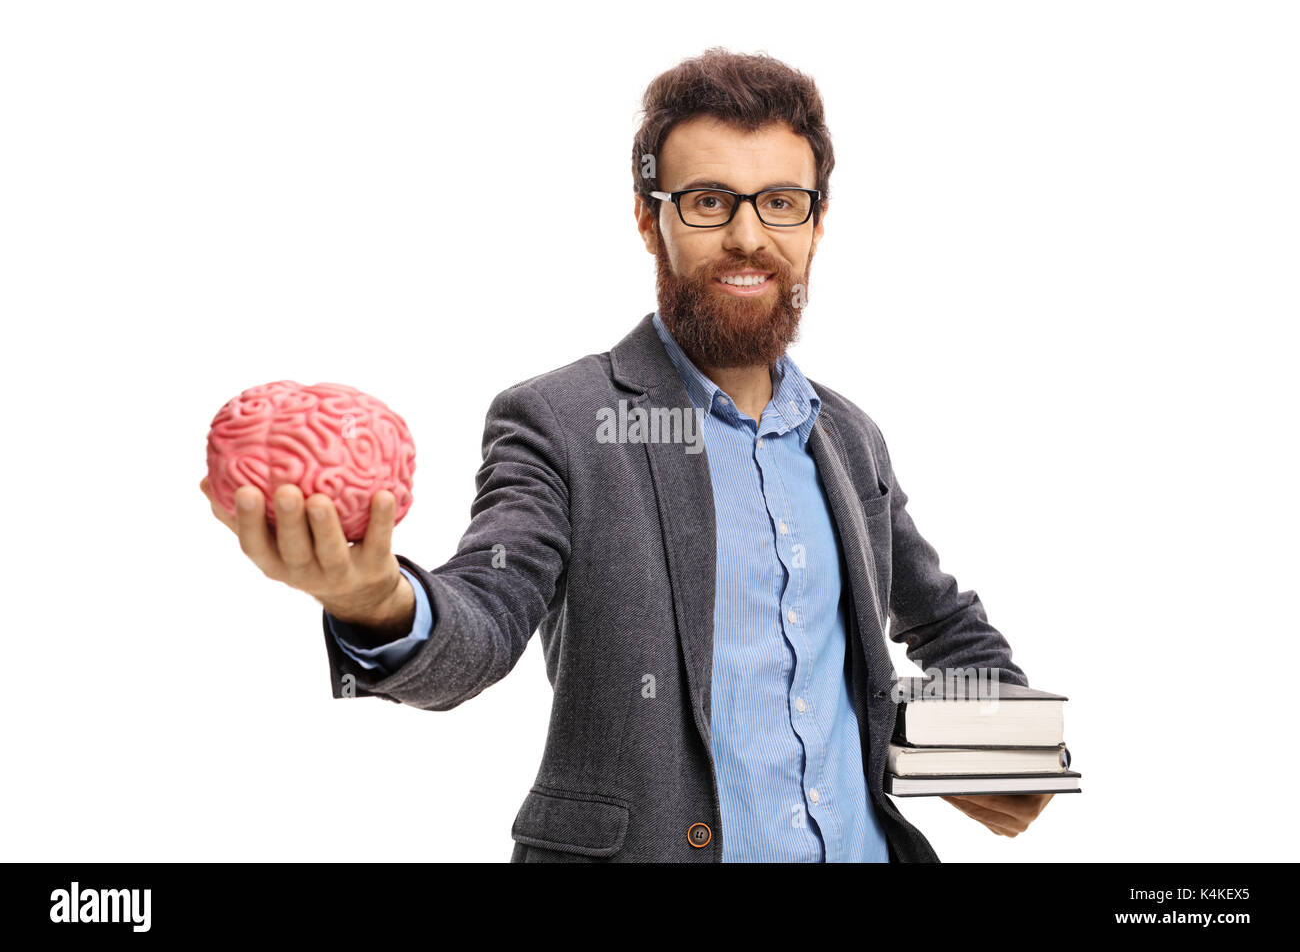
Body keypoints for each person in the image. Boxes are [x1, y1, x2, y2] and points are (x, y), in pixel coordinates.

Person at [201, 47, 1051, 861]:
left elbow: (944, 625)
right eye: (709, 201)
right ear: (650, 219)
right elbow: (487, 617)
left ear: (818, 222)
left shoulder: (849, 436)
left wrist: (1005, 752)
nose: (749, 236)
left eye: (781, 201)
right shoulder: (560, 420)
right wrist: (380, 603)